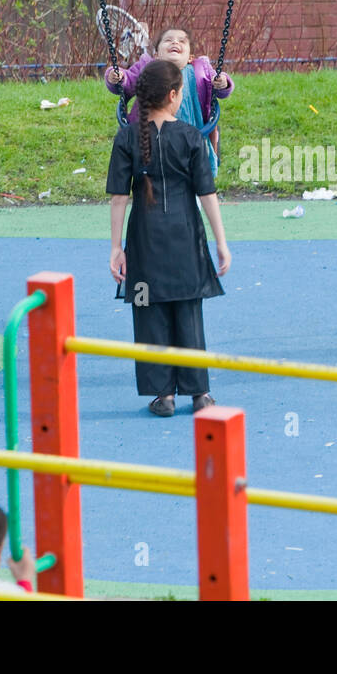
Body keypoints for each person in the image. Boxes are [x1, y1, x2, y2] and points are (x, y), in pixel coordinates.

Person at [106, 58, 231, 417]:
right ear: (175, 95)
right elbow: (207, 194)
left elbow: (119, 197)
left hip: (144, 241)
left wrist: (116, 248)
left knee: (147, 308)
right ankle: (200, 392)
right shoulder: (192, 136)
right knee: (188, 308)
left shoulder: (127, 136)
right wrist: (220, 242)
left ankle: (163, 394)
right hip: (185, 239)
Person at [104, 26, 234, 177]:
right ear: (157, 55)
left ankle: (195, 198)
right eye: (168, 40)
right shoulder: (148, 68)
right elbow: (128, 81)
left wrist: (222, 82)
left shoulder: (201, 70)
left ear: (191, 57)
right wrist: (117, 77)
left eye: (181, 41)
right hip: (151, 139)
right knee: (154, 179)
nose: (175, 43)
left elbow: (220, 90)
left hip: (192, 138)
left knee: (193, 180)